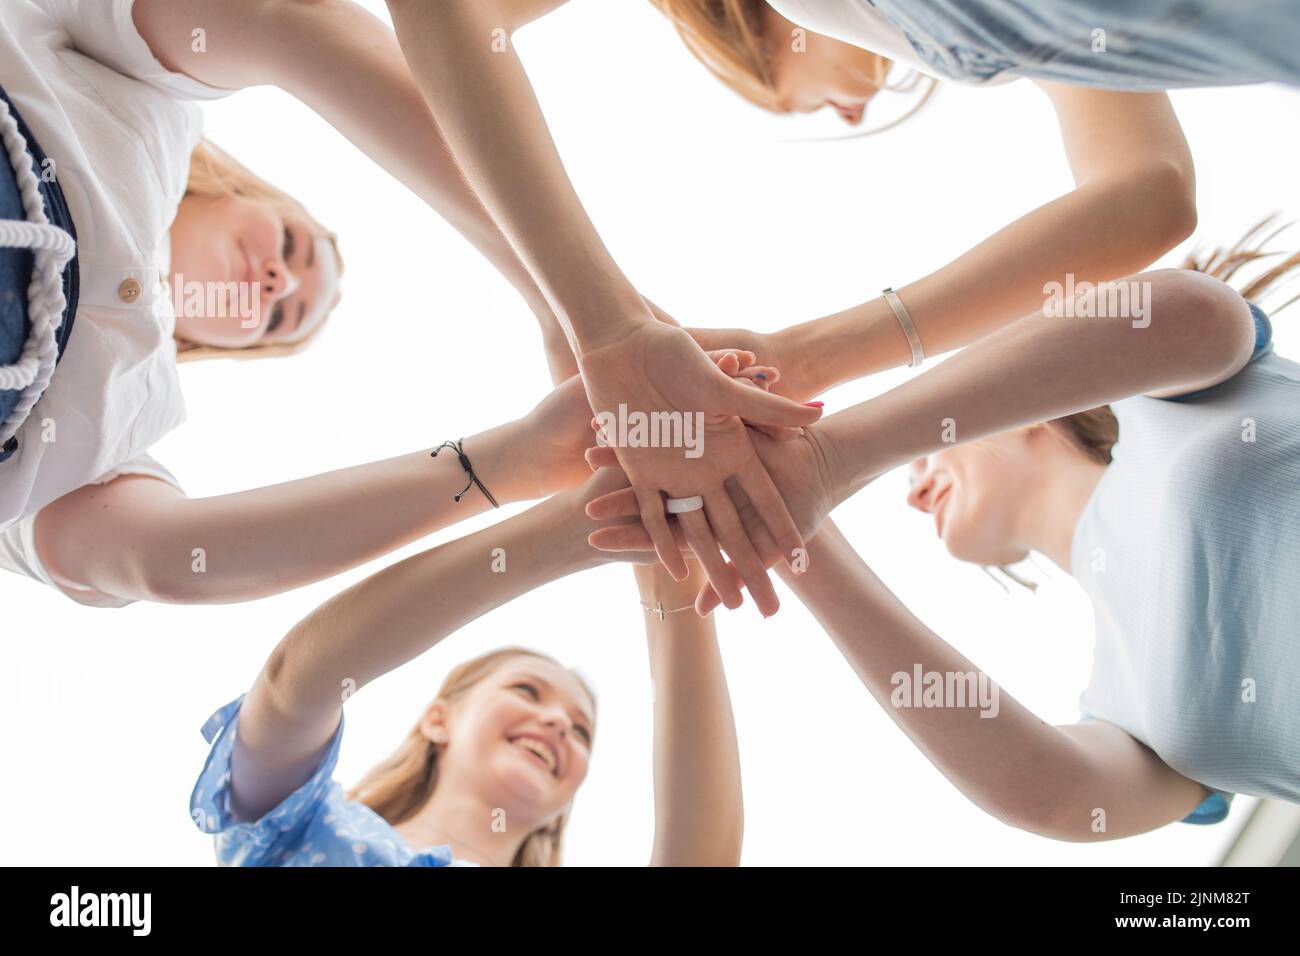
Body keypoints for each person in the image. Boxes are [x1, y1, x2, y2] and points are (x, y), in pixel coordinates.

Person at [586, 227, 1300, 835]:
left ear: (1030, 412)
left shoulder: (1169, 402)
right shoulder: (1118, 706)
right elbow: (1052, 794)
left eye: (928, 450)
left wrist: (831, 457)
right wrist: (775, 523)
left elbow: (1191, 312)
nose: (914, 489)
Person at [190, 464, 744, 866]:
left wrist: (673, 573)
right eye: (527, 691)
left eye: (580, 731)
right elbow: (296, 687)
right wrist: (566, 534)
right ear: (439, 720)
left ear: (564, 806)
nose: (556, 723)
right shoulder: (299, 827)